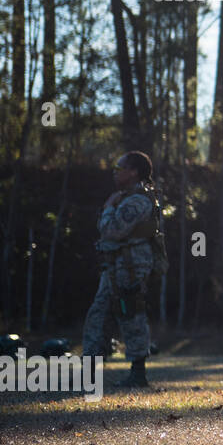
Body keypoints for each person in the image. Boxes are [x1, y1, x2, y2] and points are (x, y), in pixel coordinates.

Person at [82, 151, 163, 389]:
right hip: (117, 266)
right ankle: (90, 375)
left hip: (130, 267)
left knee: (131, 315)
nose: (115, 172)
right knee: (99, 315)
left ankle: (138, 374)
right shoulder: (126, 197)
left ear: (134, 171)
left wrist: (108, 208)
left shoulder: (137, 200)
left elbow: (113, 230)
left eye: (120, 168)